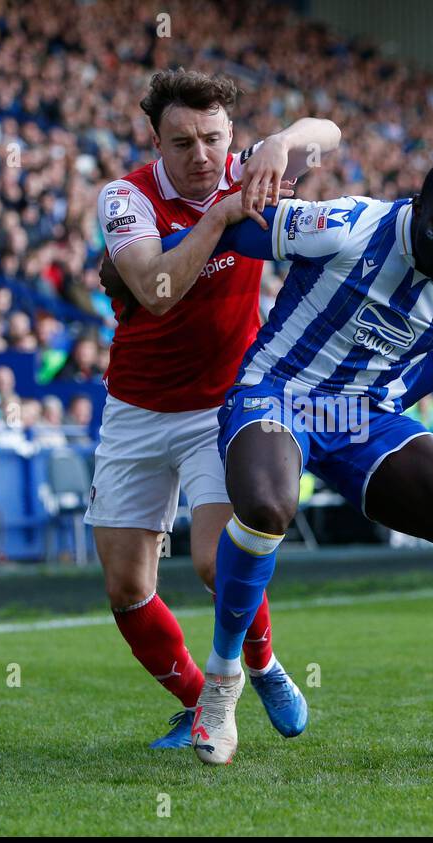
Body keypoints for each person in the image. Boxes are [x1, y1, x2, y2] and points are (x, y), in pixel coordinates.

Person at [147, 157, 433, 764]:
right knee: (267, 507)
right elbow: (232, 230)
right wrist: (148, 265)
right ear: (416, 209)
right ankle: (222, 687)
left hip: (362, 415)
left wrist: (393, 401)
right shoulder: (347, 225)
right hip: (278, 391)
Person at [87, 68, 341, 748]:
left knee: (211, 560)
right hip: (136, 407)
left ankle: (262, 665)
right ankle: (202, 702)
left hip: (223, 404)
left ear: (230, 134)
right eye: (182, 142)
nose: (201, 156)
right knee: (124, 586)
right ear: (155, 142)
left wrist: (282, 143)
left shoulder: (248, 170)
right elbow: (157, 286)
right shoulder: (125, 199)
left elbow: (331, 132)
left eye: (213, 139)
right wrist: (223, 216)